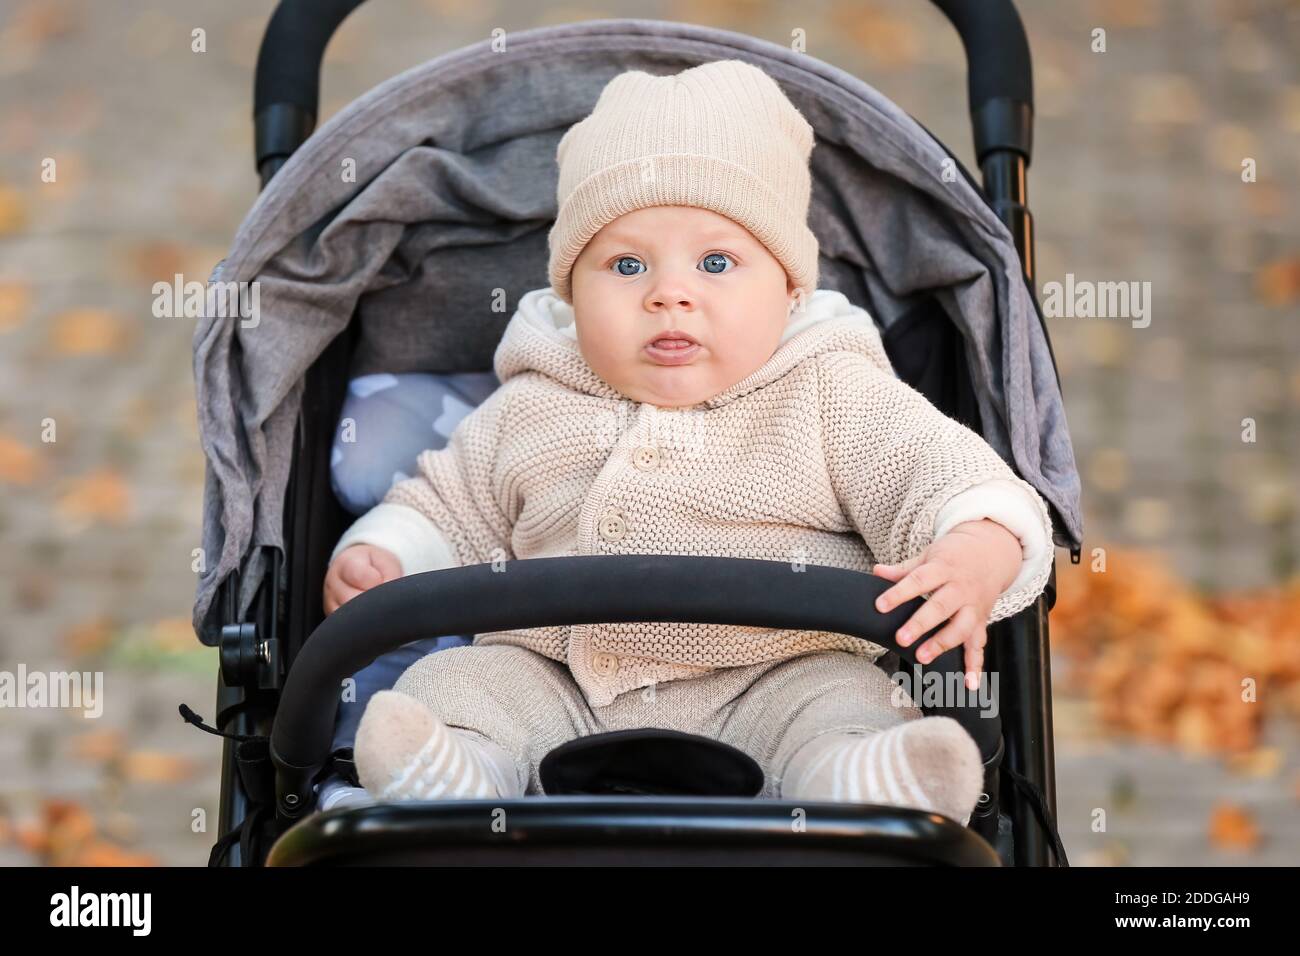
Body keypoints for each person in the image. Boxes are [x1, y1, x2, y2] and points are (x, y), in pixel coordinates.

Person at [323, 59, 1054, 824]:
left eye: (717, 262)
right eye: (626, 264)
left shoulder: (832, 392)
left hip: (777, 675)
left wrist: (976, 546)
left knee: (851, 703)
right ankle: (460, 772)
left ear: (790, 289)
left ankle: (861, 783)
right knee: (459, 683)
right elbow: (450, 503)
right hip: (554, 676)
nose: (669, 292)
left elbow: (940, 472)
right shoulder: (534, 402)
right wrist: (390, 553)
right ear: (571, 296)